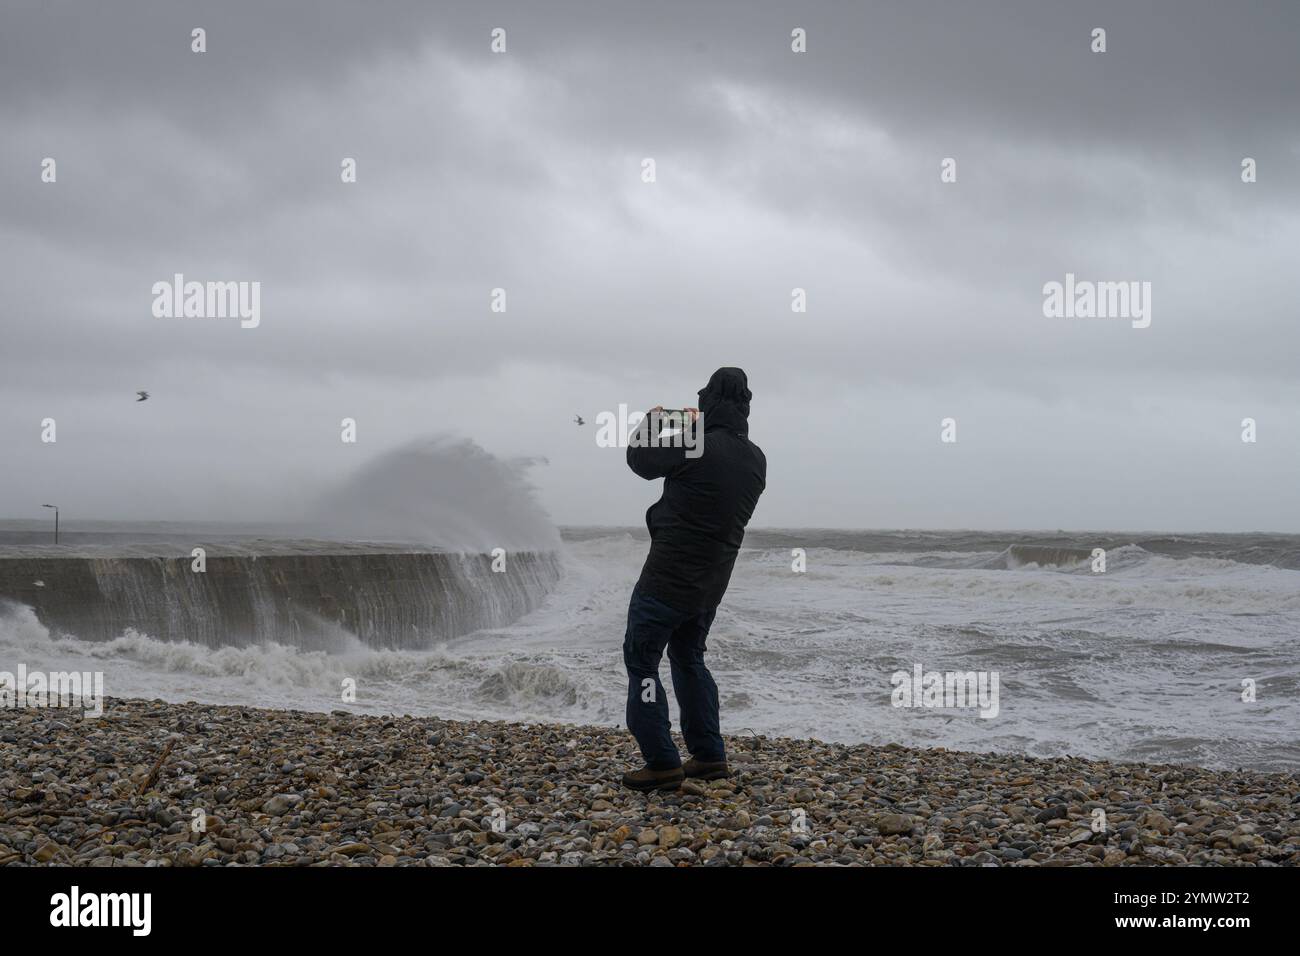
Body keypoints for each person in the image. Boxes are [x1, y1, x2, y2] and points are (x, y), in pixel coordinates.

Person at [621, 367, 766, 791]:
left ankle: (662, 762)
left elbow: (640, 461)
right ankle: (708, 755)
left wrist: (657, 422)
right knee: (689, 658)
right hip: (711, 583)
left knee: (642, 662)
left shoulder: (695, 443)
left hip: (666, 578)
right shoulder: (756, 457)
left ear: (709, 400)